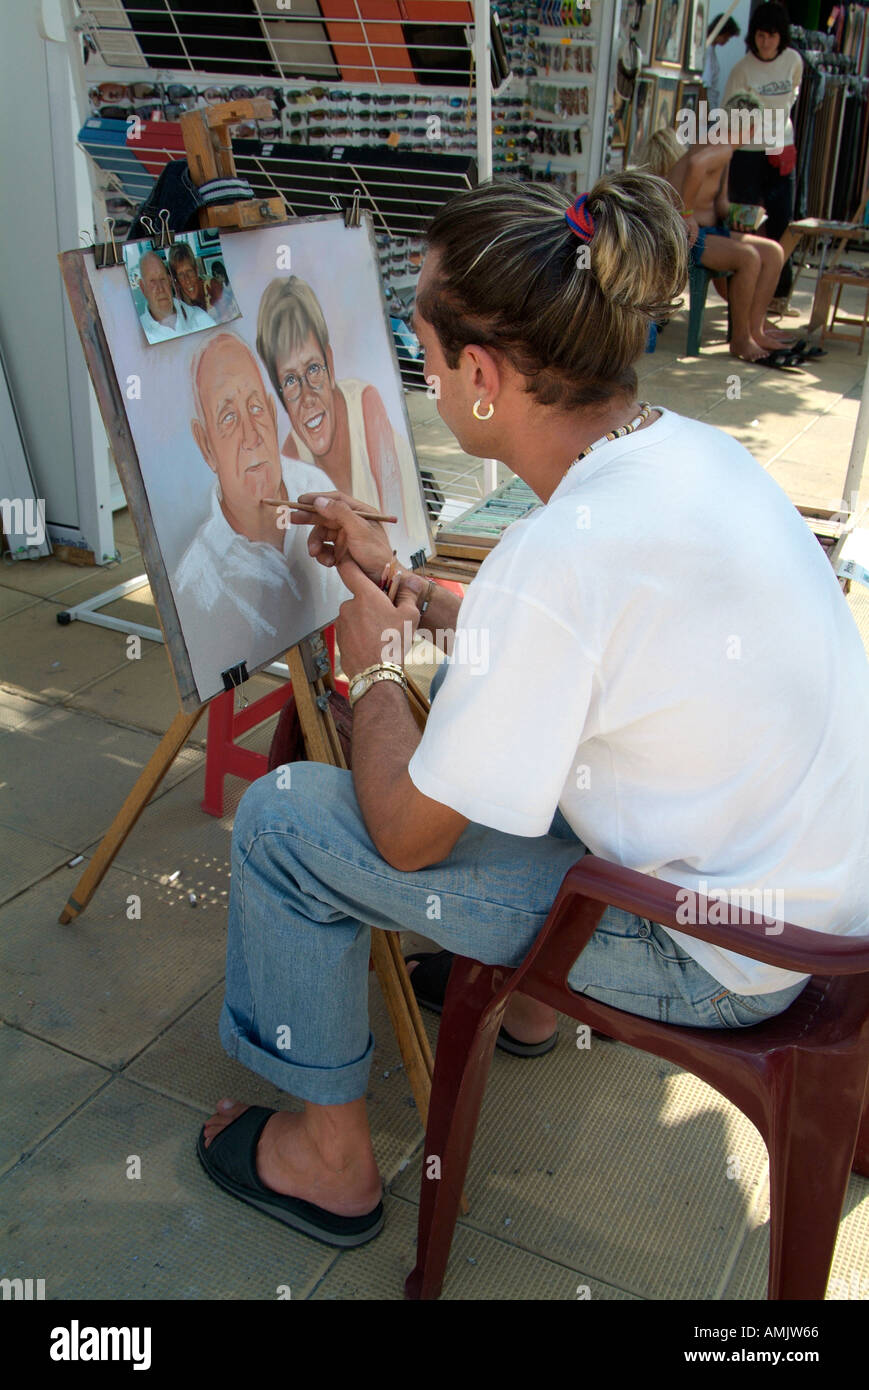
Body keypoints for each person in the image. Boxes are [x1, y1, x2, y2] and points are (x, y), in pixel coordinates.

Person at [196, 173, 869, 1249]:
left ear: (479, 374)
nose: (412, 365)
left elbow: (407, 840)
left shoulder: (557, 555)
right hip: (820, 909)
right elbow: (572, 648)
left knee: (281, 820)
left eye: (418, 340)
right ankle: (529, 1002)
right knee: (494, 713)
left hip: (728, 957)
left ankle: (328, 1159)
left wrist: (371, 671)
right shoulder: (688, 452)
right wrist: (413, 592)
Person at [173, 332, 344, 697]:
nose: (251, 435)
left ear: (271, 409)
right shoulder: (197, 582)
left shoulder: (317, 489)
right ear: (206, 445)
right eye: (229, 417)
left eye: (255, 408)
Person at [256, 275, 414, 530]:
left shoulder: (366, 407)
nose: (307, 397)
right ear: (279, 392)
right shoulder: (290, 456)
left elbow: (400, 534)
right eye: (290, 381)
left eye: (314, 369)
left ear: (330, 362)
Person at [665, 93, 799, 365]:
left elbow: (721, 205)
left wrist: (745, 215)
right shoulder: (720, 145)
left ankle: (755, 330)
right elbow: (695, 164)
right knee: (748, 257)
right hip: (685, 234)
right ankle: (740, 339)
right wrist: (687, 214)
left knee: (772, 251)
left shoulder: (726, 151)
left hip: (709, 229)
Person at [723, 2, 803, 309]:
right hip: (748, 153)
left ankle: (779, 294)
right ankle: (742, 295)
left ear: (781, 36)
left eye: (771, 35)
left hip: (782, 148)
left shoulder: (794, 61)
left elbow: (791, 97)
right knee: (745, 225)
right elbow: (730, 114)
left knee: (783, 222)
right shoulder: (741, 70)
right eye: (760, 35)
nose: (765, 41)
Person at [136, 249, 214, 342]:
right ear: (142, 287)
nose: (160, 289)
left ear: (169, 281)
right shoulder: (138, 335)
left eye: (162, 279)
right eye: (152, 281)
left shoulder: (198, 317)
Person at [168, 241, 237, 324]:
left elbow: (231, 323)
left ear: (196, 270)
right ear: (176, 280)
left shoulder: (213, 286)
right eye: (180, 275)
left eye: (189, 271)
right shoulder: (179, 301)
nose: (187, 280)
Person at [702, 13, 741, 112]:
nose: (727, 40)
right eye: (726, 36)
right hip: (708, 108)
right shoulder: (708, 52)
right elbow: (704, 86)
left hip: (711, 107)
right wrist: (705, 113)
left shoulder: (710, 51)